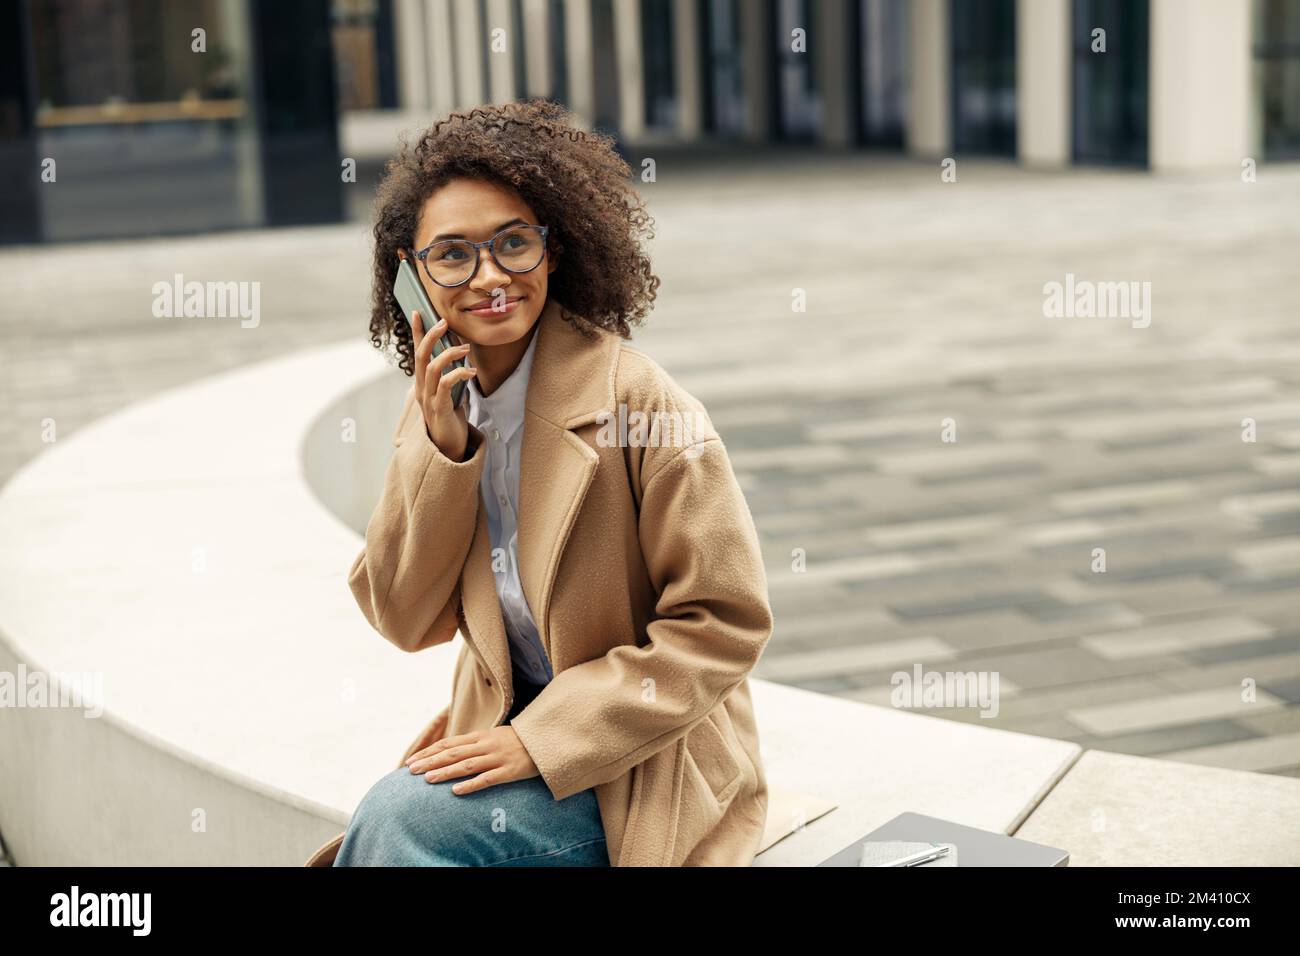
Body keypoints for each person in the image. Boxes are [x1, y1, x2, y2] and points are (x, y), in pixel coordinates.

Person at [322, 99, 773, 867]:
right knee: (392, 823)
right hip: (504, 733)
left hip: (639, 761)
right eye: (454, 254)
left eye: (513, 243)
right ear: (412, 273)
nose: (490, 276)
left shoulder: (641, 403)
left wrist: (545, 739)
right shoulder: (437, 404)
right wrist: (444, 452)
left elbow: (723, 623)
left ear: (555, 250)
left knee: (400, 826)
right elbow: (403, 617)